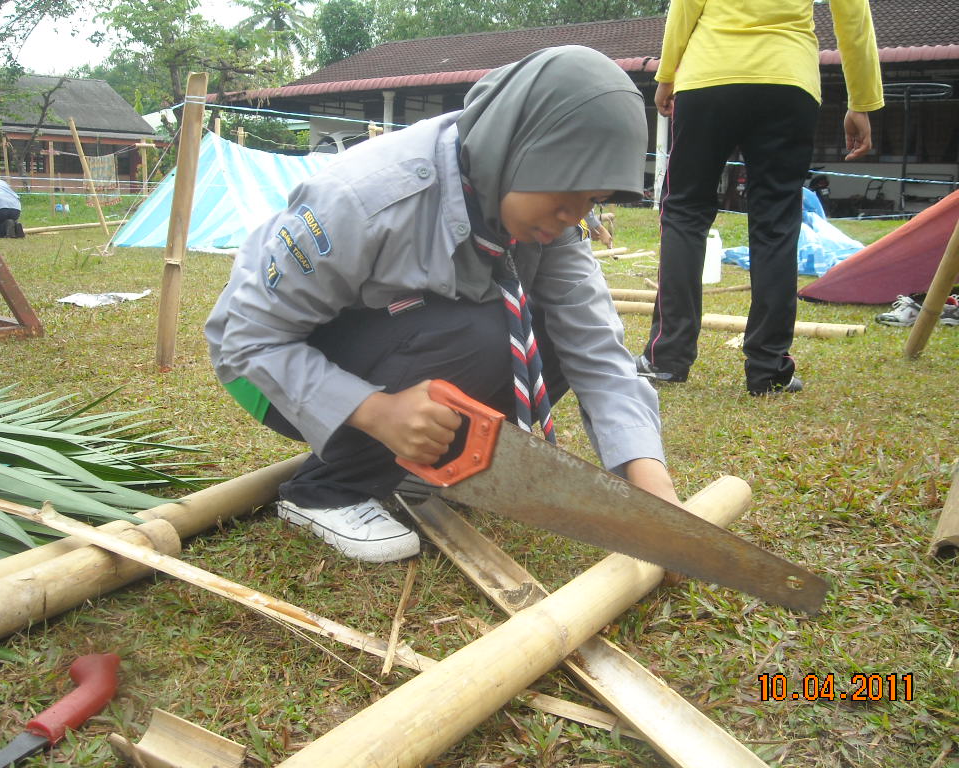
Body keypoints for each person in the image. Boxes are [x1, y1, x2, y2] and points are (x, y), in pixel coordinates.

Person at [206, 45, 680, 563]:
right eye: (566, 192)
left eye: (592, 201)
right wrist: (377, 412)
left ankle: (407, 466)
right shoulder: (366, 199)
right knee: (482, 331)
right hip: (261, 370)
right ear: (517, 147)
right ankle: (326, 490)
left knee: (547, 331)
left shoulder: (554, 220)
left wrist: (649, 482)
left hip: (392, 344)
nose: (573, 215)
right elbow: (249, 338)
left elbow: (593, 344)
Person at [636, 0, 883, 395]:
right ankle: (768, 368)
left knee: (685, 211)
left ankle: (666, 357)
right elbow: (853, 17)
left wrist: (667, 74)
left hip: (709, 78)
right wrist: (862, 101)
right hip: (787, 80)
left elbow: (685, 6)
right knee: (777, 224)